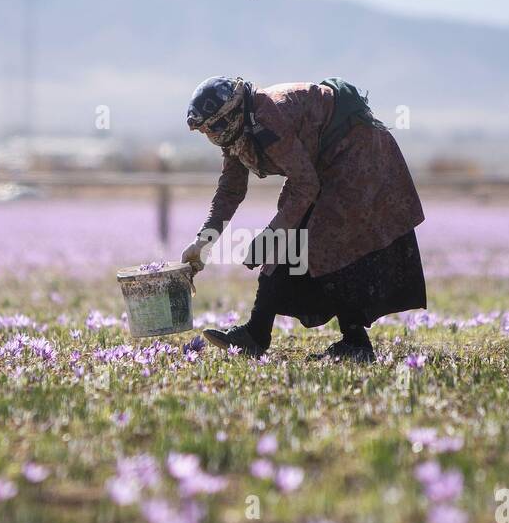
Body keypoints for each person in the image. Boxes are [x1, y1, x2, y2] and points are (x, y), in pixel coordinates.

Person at [181, 76, 426, 362]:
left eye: (211, 128)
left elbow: (305, 185)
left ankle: (351, 342)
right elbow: (231, 190)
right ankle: (259, 333)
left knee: (323, 240)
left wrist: (272, 235)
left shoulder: (267, 118)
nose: (211, 137)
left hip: (358, 154)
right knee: (294, 236)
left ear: (226, 119)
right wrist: (203, 242)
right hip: (325, 164)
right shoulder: (240, 129)